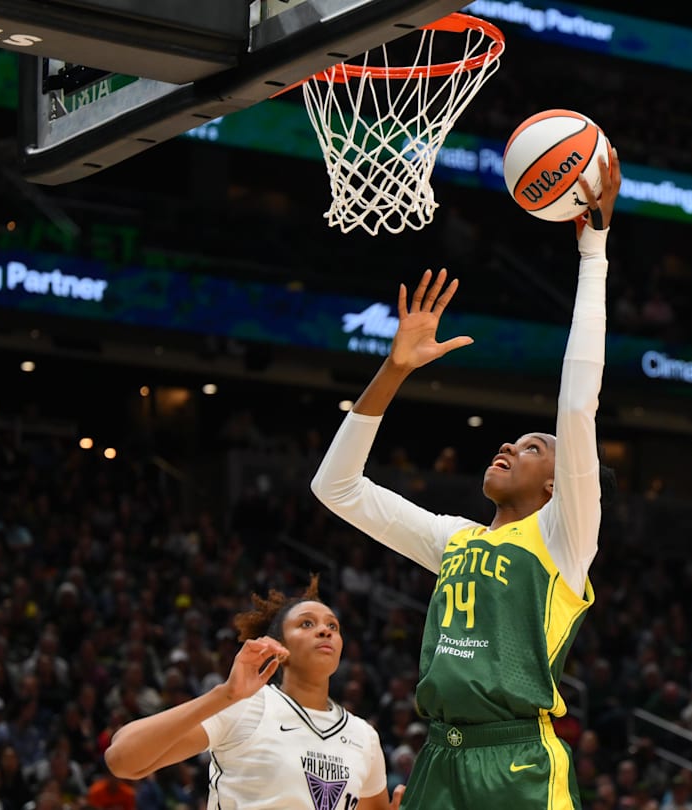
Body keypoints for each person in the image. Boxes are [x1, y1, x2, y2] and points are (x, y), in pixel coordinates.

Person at [310, 145, 622, 809]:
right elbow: (335, 488)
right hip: (435, 759)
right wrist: (393, 370)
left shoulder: (564, 538)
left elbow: (576, 403)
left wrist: (593, 254)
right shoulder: (456, 541)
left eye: (535, 448)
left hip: (516, 763)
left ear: (558, 485)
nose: (511, 442)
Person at [104, 576, 399, 809]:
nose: (325, 631)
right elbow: (122, 759)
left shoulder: (364, 736)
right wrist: (225, 695)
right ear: (278, 646)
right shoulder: (247, 706)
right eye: (306, 623)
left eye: (332, 626)